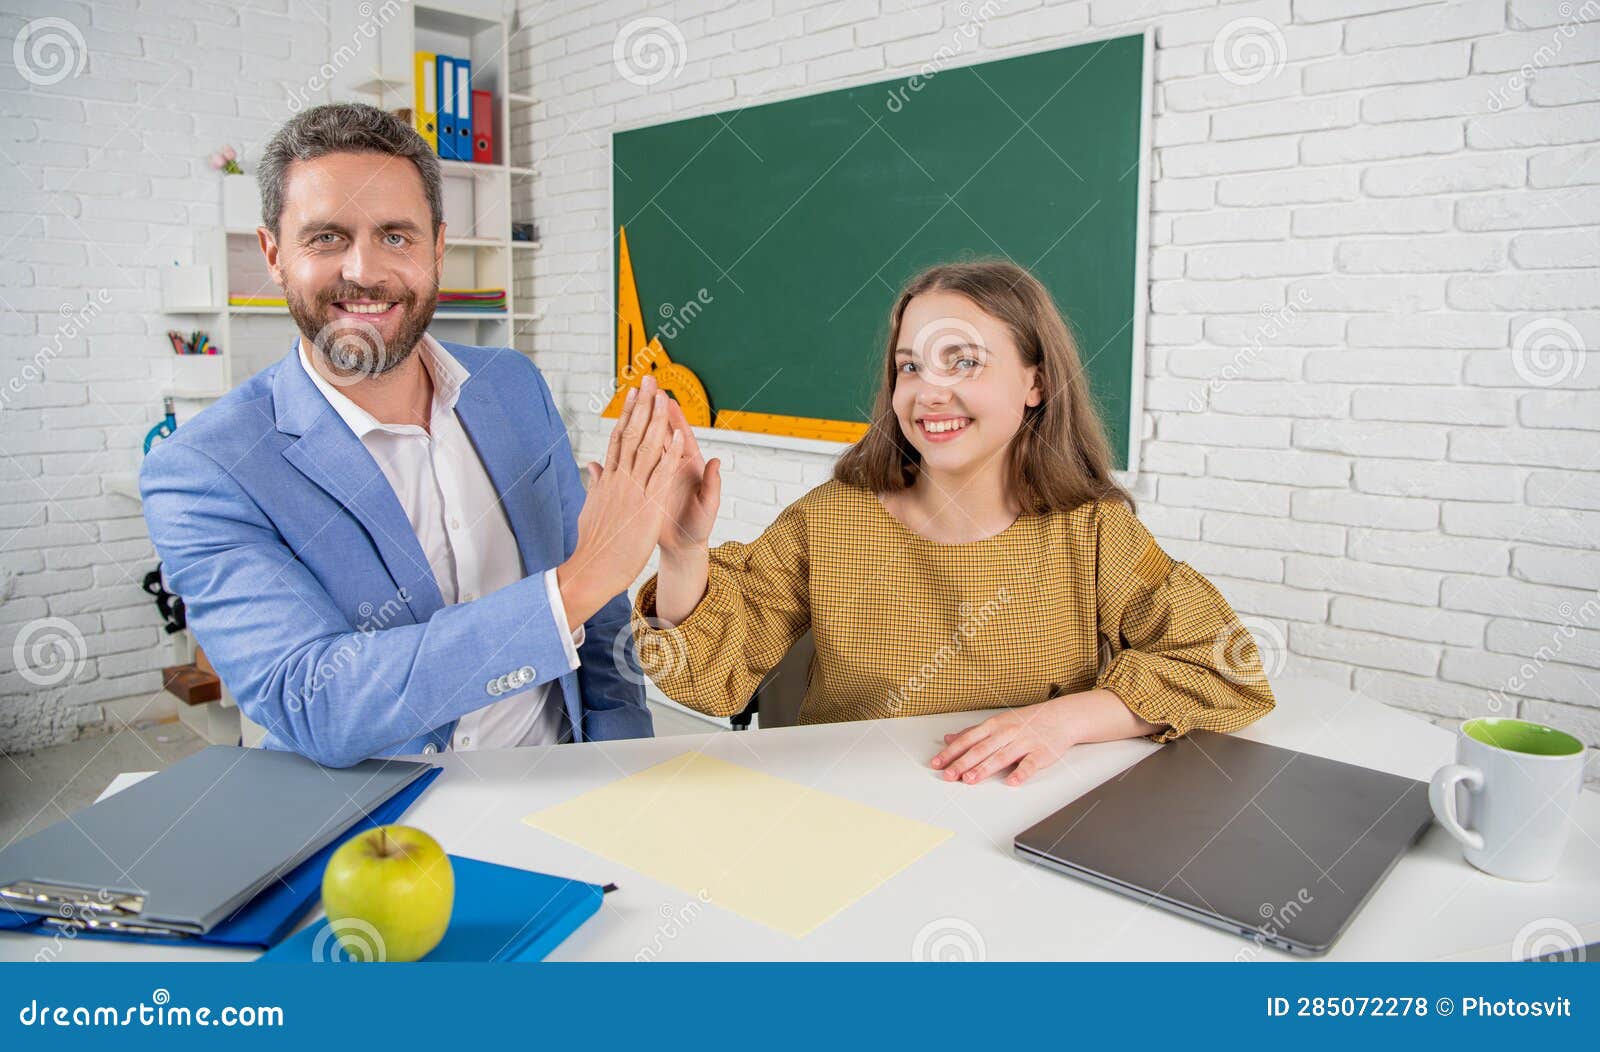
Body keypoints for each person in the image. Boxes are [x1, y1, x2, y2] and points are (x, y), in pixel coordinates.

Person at [142, 103, 686, 767]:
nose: (364, 271)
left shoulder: (514, 388)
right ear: (274, 254)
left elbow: (602, 627)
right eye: (326, 238)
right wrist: (572, 587)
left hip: (563, 781)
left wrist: (616, 766)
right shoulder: (204, 469)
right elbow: (317, 700)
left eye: (396, 236)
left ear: (437, 247)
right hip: (374, 830)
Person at [635, 260, 1276, 786]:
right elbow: (711, 682)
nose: (927, 392)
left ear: (1036, 383)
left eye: (963, 362)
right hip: (851, 813)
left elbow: (1225, 667)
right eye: (910, 366)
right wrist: (684, 551)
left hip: (1023, 818)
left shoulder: (1093, 530)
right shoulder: (827, 521)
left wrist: (1063, 721)